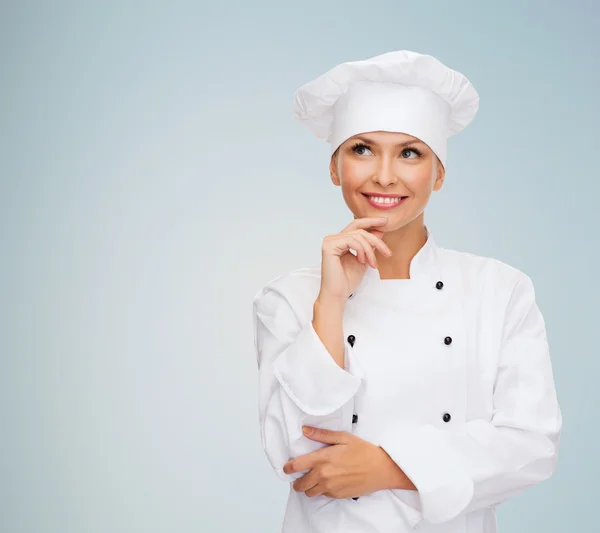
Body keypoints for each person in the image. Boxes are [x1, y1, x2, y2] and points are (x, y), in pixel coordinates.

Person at [251, 50, 562, 533]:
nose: (384, 176)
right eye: (362, 149)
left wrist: (389, 467)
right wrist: (331, 303)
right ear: (334, 168)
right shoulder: (289, 298)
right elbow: (297, 456)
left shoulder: (499, 291)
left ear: (438, 174)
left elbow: (530, 444)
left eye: (410, 153)